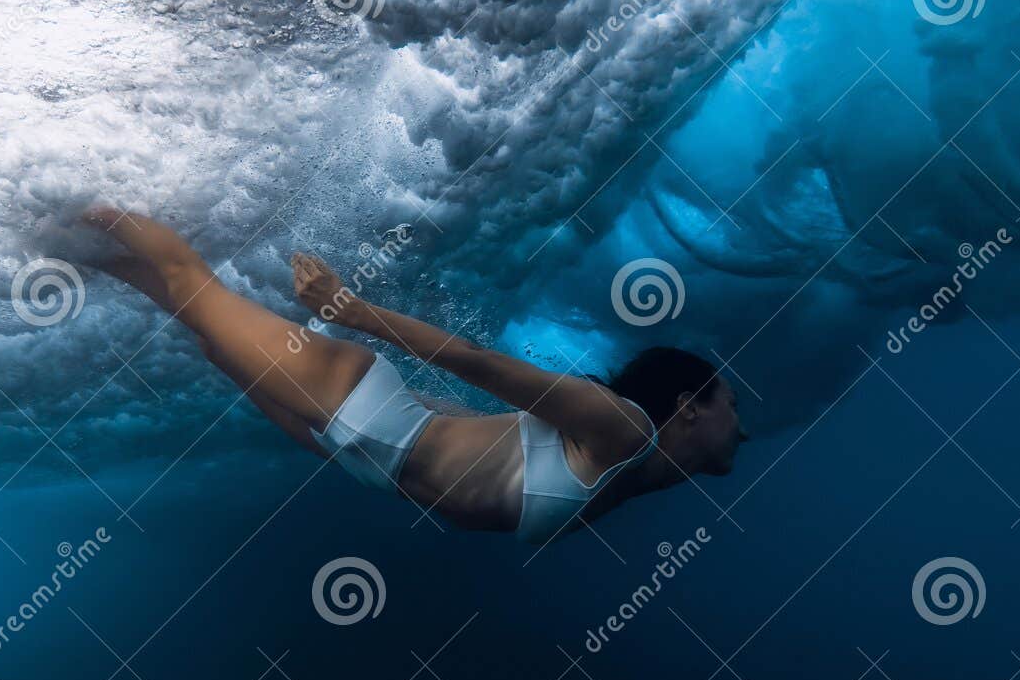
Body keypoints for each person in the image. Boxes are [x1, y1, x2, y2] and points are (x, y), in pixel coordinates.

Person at [81, 208, 747, 543]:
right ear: (688, 405)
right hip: (363, 412)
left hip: (367, 455)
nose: (741, 426)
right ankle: (71, 199)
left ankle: (77, 251)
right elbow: (481, 366)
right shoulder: (623, 429)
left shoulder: (636, 475)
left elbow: (485, 442)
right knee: (192, 288)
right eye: (731, 406)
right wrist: (351, 309)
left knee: (211, 340)